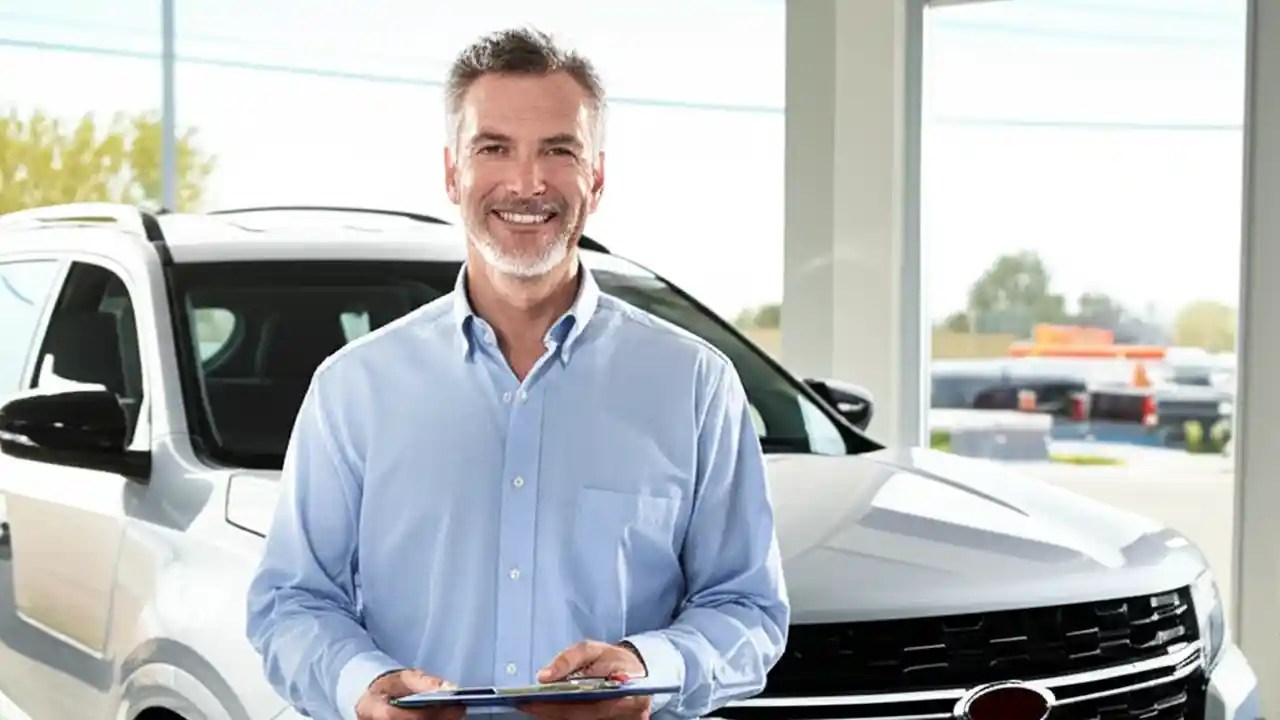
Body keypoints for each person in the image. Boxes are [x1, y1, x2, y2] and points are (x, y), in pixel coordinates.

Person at [245, 26, 790, 720]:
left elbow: (747, 608)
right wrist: (361, 687)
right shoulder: (353, 389)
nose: (527, 182)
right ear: (452, 172)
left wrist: (650, 672)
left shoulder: (694, 386)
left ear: (596, 175)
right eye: (493, 147)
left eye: (558, 151)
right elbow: (292, 602)